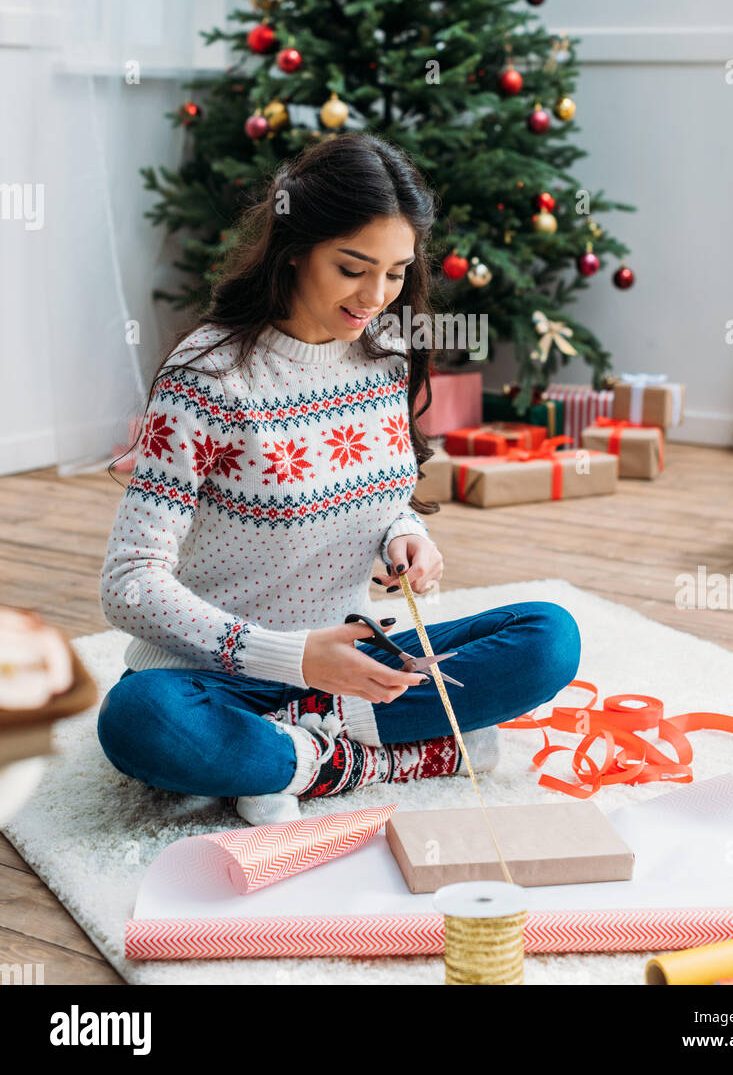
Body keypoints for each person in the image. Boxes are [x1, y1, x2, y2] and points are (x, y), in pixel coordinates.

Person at [96, 131, 581, 823]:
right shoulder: (206, 378)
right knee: (139, 721)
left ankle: (288, 760)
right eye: (352, 268)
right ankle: (387, 756)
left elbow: (377, 495)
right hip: (217, 676)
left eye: (394, 272)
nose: (375, 296)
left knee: (548, 637)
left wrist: (404, 535)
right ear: (295, 249)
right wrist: (289, 658)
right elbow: (130, 582)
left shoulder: (383, 354)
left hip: (353, 660)